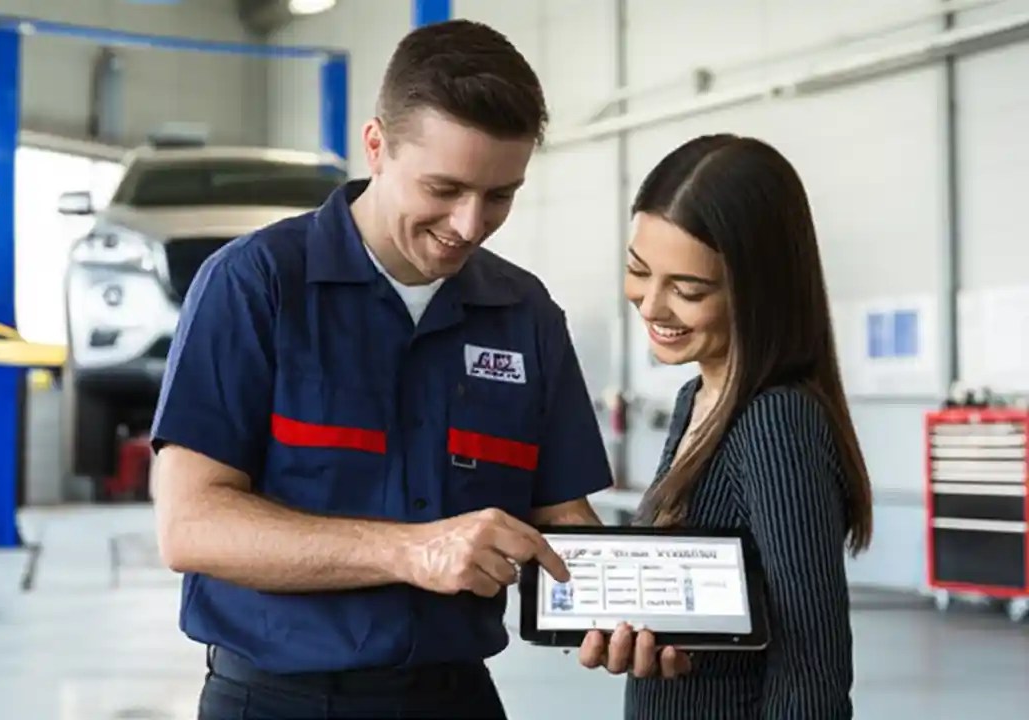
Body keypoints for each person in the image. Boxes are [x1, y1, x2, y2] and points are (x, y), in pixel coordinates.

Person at [148, 18, 684, 720]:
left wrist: (630, 610)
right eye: (444, 188)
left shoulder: (523, 313)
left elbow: (561, 517)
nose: (469, 223)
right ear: (377, 146)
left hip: (455, 697)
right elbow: (191, 524)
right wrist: (409, 552)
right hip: (281, 700)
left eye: (500, 195)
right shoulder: (256, 286)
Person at [611, 133, 874, 719]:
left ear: (757, 292)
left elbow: (812, 671)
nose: (651, 305)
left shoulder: (776, 421)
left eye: (687, 289)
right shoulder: (694, 398)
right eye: (638, 270)